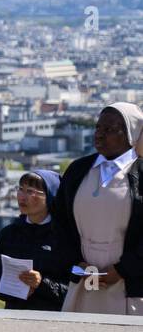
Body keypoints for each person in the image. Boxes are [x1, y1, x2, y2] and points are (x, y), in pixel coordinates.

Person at [53, 103, 143, 315]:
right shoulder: (78, 170)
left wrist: (122, 270)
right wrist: (76, 263)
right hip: (85, 275)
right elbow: (60, 221)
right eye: (98, 128)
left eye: (109, 130)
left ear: (131, 135)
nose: (99, 135)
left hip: (129, 281)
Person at [0, 170, 69, 311]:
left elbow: (76, 288)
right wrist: (12, 289)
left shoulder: (65, 237)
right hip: (15, 317)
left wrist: (42, 283)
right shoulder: (9, 234)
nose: (22, 197)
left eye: (30, 191)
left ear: (50, 196)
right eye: (20, 189)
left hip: (53, 321)